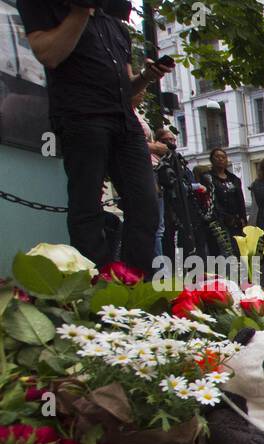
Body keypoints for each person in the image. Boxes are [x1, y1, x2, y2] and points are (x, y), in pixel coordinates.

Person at [18, 0, 169, 272]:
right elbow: (49, 55)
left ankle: (135, 280)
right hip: (82, 117)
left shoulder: (115, 26)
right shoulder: (46, 7)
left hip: (124, 120)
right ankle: (94, 281)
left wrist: (146, 76)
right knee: (87, 204)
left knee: (145, 205)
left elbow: (129, 92)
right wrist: (80, 11)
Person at [203, 148, 248, 237]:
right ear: (212, 160)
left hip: (236, 222)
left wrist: (243, 219)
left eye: (223, 157)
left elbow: (240, 200)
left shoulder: (234, 179)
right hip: (219, 223)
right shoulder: (208, 178)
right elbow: (211, 201)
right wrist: (225, 217)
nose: (220, 159)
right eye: (217, 157)